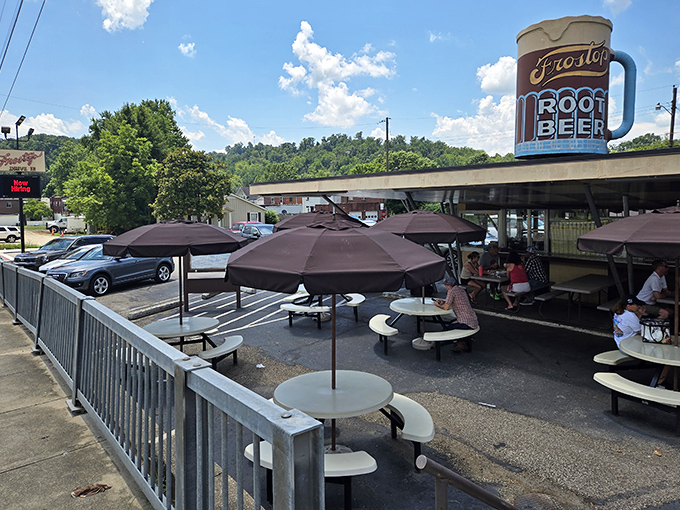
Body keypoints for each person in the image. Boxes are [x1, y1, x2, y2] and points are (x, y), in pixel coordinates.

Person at [613, 294, 670, 388]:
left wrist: (640, 314)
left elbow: (634, 326)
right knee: (665, 352)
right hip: (629, 347)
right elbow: (643, 331)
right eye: (636, 305)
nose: (638, 306)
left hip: (621, 342)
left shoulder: (619, 312)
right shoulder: (630, 316)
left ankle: (659, 377)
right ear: (629, 306)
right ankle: (659, 381)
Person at [433, 276, 479, 352]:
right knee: (453, 323)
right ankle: (462, 342)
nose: (445, 287)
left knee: (447, 329)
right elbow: (454, 302)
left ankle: (459, 343)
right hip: (473, 319)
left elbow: (446, 308)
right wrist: (443, 302)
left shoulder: (451, 291)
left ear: (448, 285)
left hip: (465, 322)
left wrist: (438, 305)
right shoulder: (461, 289)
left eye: (445, 285)